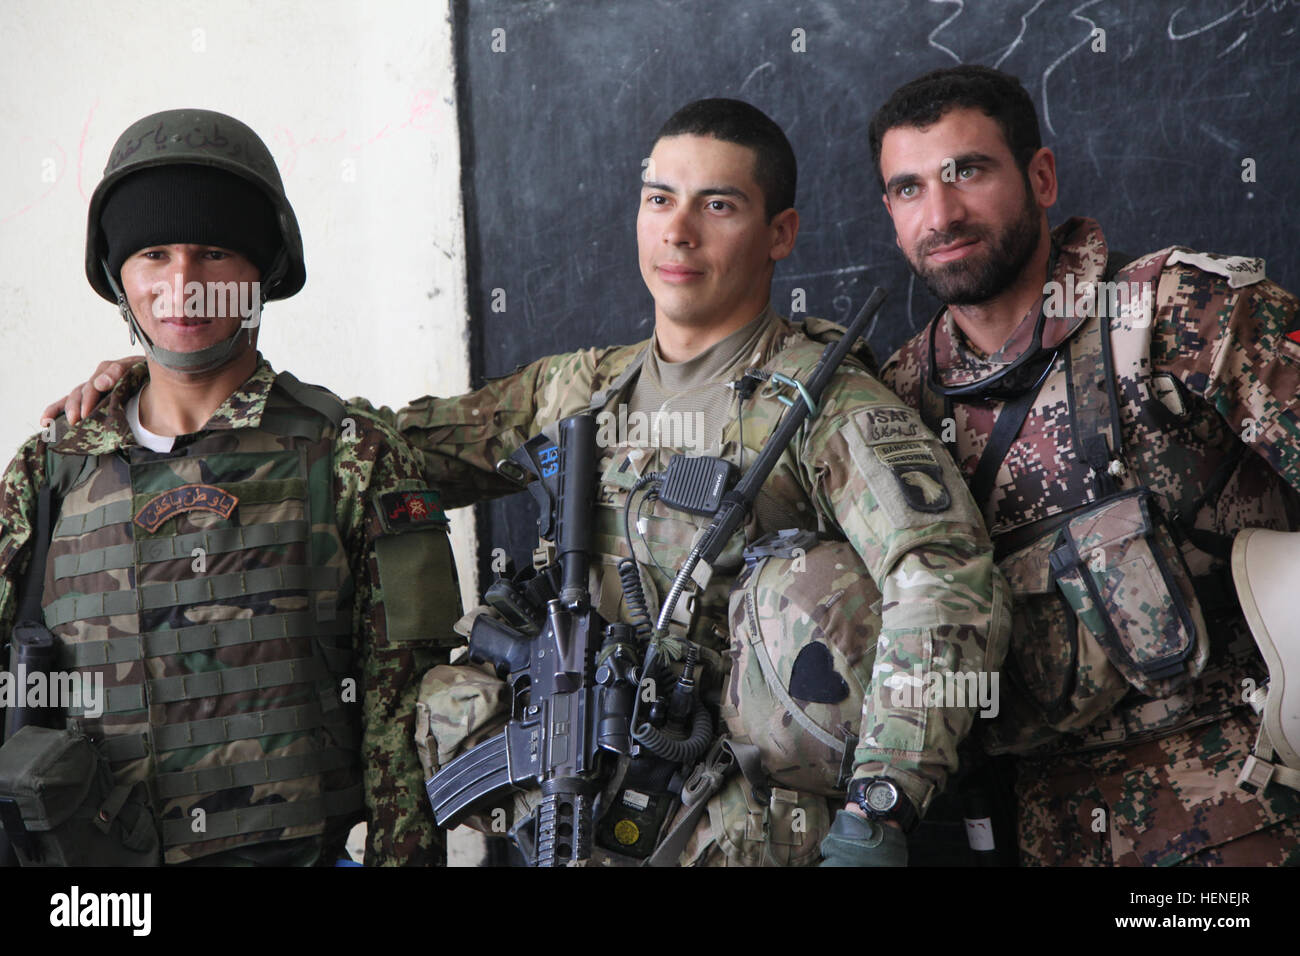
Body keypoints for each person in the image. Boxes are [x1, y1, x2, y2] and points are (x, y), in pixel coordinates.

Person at [55, 98, 1011, 866]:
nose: (677, 230)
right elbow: (362, 455)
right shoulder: (579, 389)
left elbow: (945, 576)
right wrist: (155, 384)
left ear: (779, 232)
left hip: (745, 827)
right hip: (579, 817)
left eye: (717, 204)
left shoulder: (823, 404)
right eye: (658, 198)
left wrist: (881, 803)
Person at [1, 109, 463, 866]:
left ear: (264, 272)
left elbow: (401, 719)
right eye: (155, 253)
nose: (183, 284)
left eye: (214, 253)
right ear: (121, 276)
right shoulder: (49, 470)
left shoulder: (351, 457)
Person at [872, 64, 1300, 865]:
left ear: (1041, 176)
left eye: (968, 170)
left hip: (1240, 820)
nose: (941, 213)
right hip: (1023, 836)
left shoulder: (1175, 311)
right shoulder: (891, 407)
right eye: (908, 188)